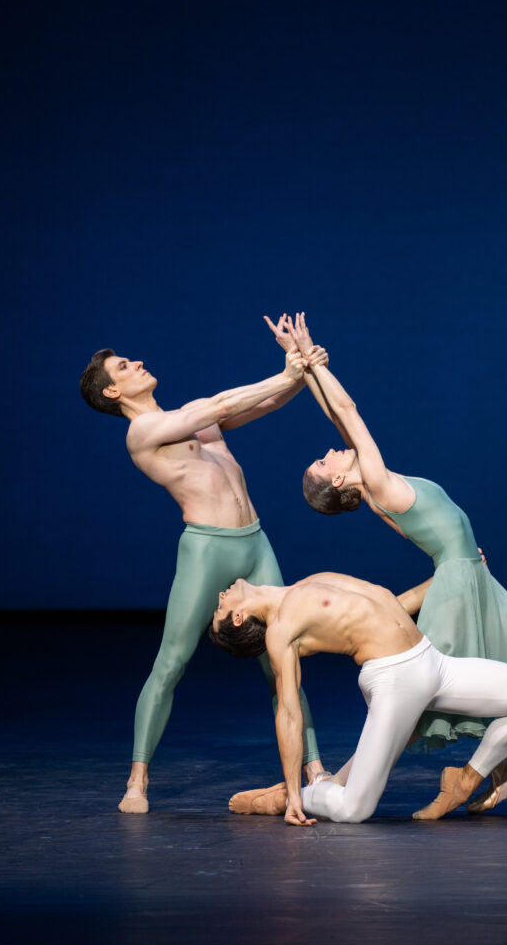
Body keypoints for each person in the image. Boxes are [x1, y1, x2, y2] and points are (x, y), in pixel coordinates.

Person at [266, 313, 507, 815]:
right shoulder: (376, 485)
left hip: (475, 578)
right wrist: (310, 358)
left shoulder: (376, 483)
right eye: (323, 461)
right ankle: (329, 789)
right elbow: (349, 410)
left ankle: (492, 772)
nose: (331, 450)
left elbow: (338, 418)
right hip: (458, 590)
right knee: (409, 714)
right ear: (337, 483)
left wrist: (309, 363)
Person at [79, 344, 329, 813]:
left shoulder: (189, 416)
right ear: (113, 390)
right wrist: (286, 373)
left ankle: (314, 768)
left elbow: (263, 402)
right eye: (123, 367)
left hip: (255, 545)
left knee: (283, 659)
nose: (136, 362)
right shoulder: (143, 432)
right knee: (171, 662)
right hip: (207, 549)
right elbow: (219, 404)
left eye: (131, 358)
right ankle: (137, 781)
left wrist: (300, 367)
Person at [209, 573, 507, 825]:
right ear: (239, 619)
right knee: (353, 810)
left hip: (433, 663)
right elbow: (288, 712)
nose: (220, 598)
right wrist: (293, 790)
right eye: (218, 610)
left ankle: (466, 778)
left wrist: (446, 579)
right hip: (396, 679)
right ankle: (292, 796)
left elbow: (392, 603)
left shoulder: (304, 585)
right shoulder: (281, 629)